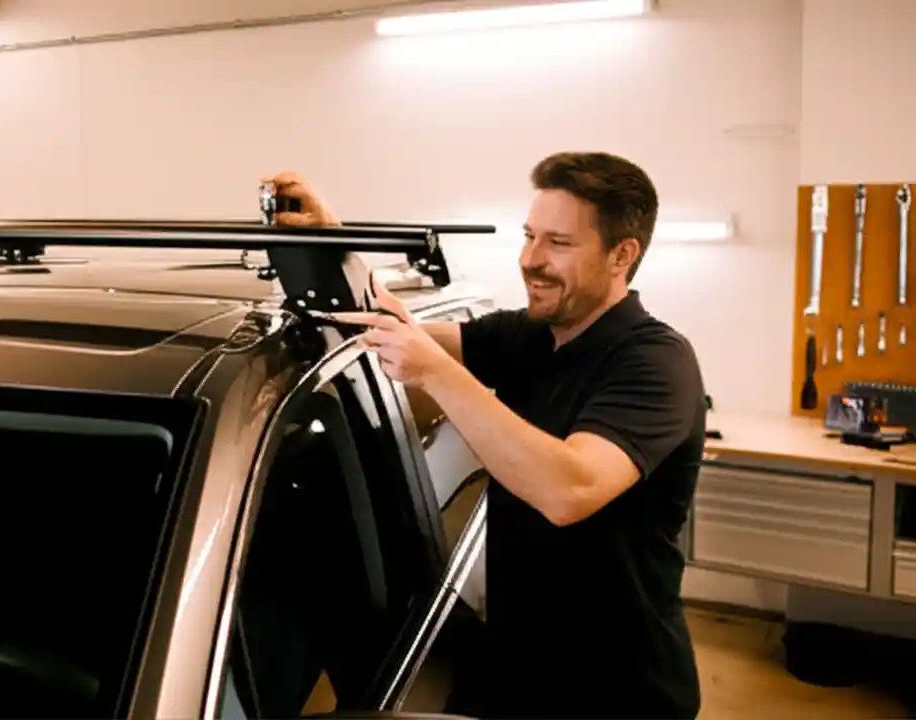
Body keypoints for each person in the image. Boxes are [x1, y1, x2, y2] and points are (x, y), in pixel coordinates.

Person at [263, 152, 706, 719]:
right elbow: (393, 327)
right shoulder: (533, 335)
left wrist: (436, 372)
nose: (530, 260)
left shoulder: (655, 361)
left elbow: (569, 490)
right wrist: (334, 243)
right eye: (529, 236)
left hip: (619, 692)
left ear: (623, 255)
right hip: (521, 673)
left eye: (558, 244)